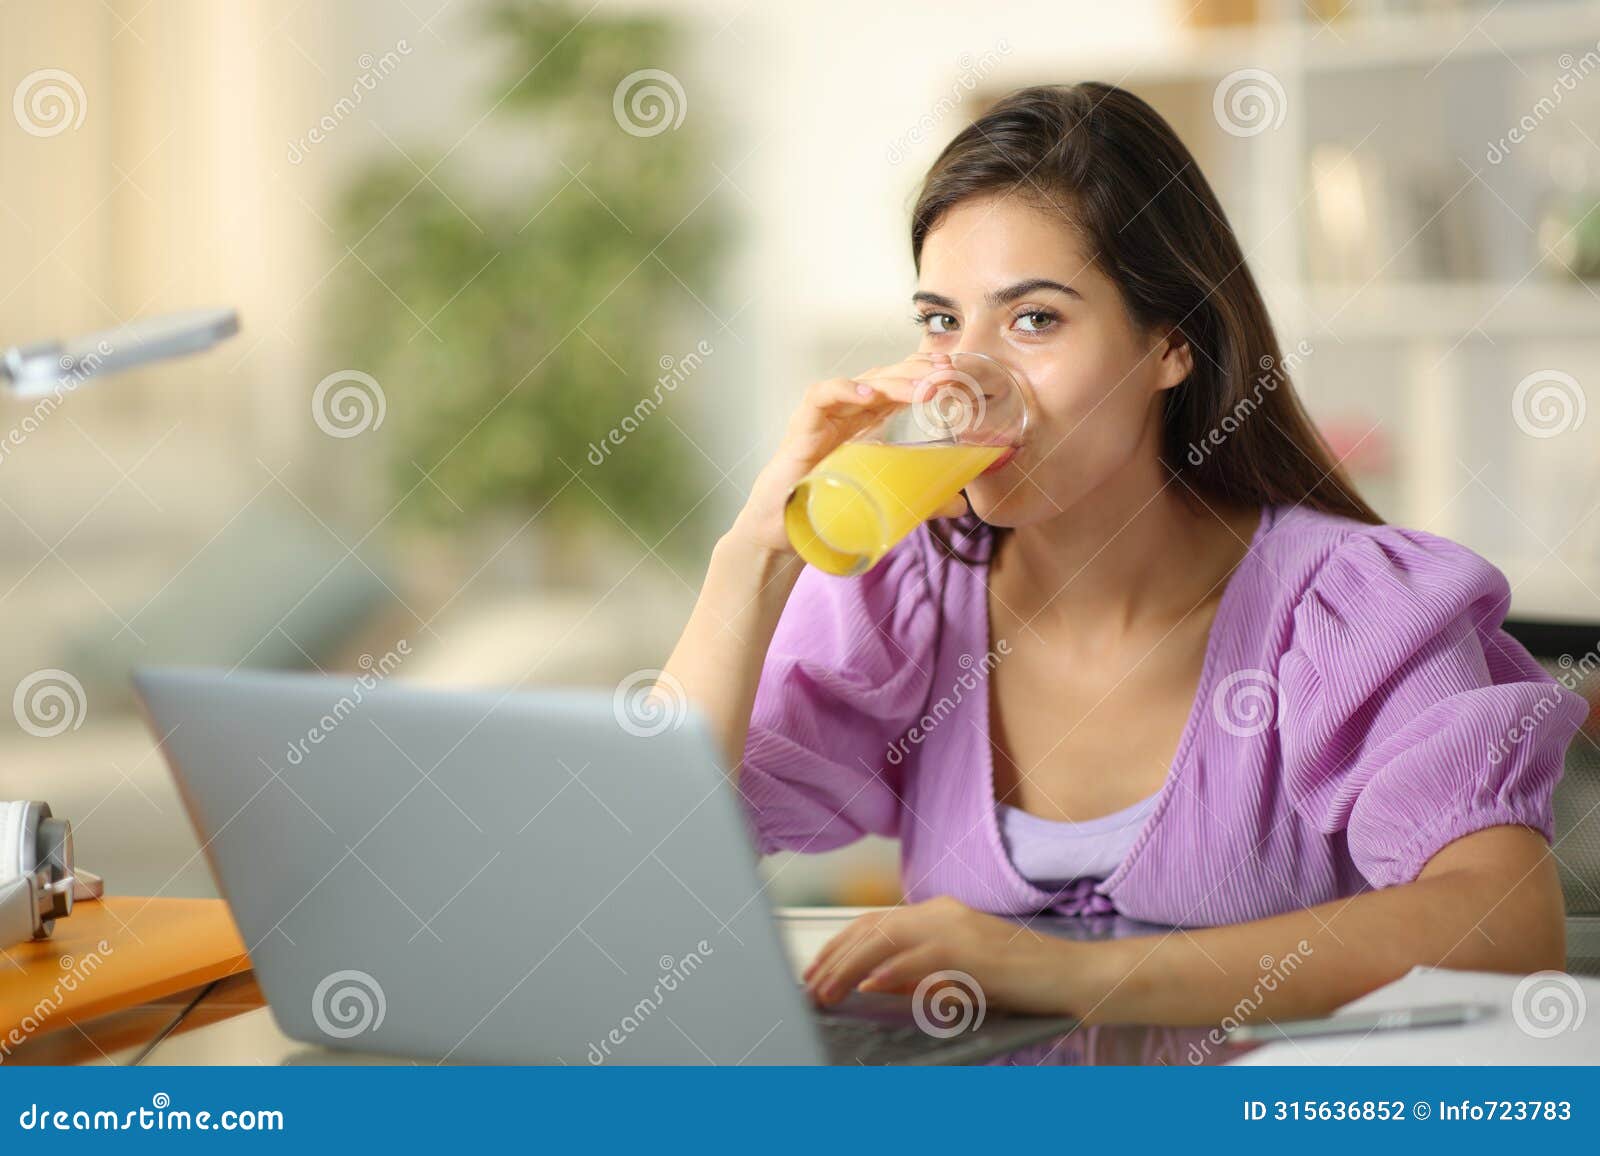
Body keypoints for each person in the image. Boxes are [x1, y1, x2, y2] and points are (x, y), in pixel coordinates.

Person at [657, 83, 1585, 1026]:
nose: (960, 382)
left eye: (1035, 321)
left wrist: (1070, 976)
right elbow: (647, 862)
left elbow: (1506, 926)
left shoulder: (1345, 606)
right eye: (942, 322)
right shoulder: (907, 592)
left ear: (1170, 344)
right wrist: (757, 557)